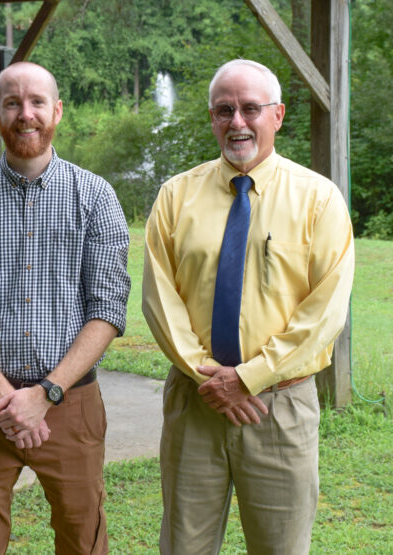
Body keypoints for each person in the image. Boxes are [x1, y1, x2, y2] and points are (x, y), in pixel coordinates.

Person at [142, 59, 355, 554]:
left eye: (250, 109)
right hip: (196, 401)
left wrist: (249, 377)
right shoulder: (175, 197)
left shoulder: (319, 199)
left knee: (281, 547)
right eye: (224, 110)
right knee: (184, 547)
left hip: (278, 407)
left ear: (277, 115)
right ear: (212, 119)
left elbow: (324, 311)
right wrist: (210, 376)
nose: (237, 121)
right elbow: (159, 298)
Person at [0, 61, 131, 554]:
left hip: (70, 404)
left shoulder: (96, 196)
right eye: (13, 104)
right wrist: (9, 400)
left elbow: (108, 309)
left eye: (37, 102)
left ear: (57, 111)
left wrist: (45, 394)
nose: (26, 114)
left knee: (82, 539)